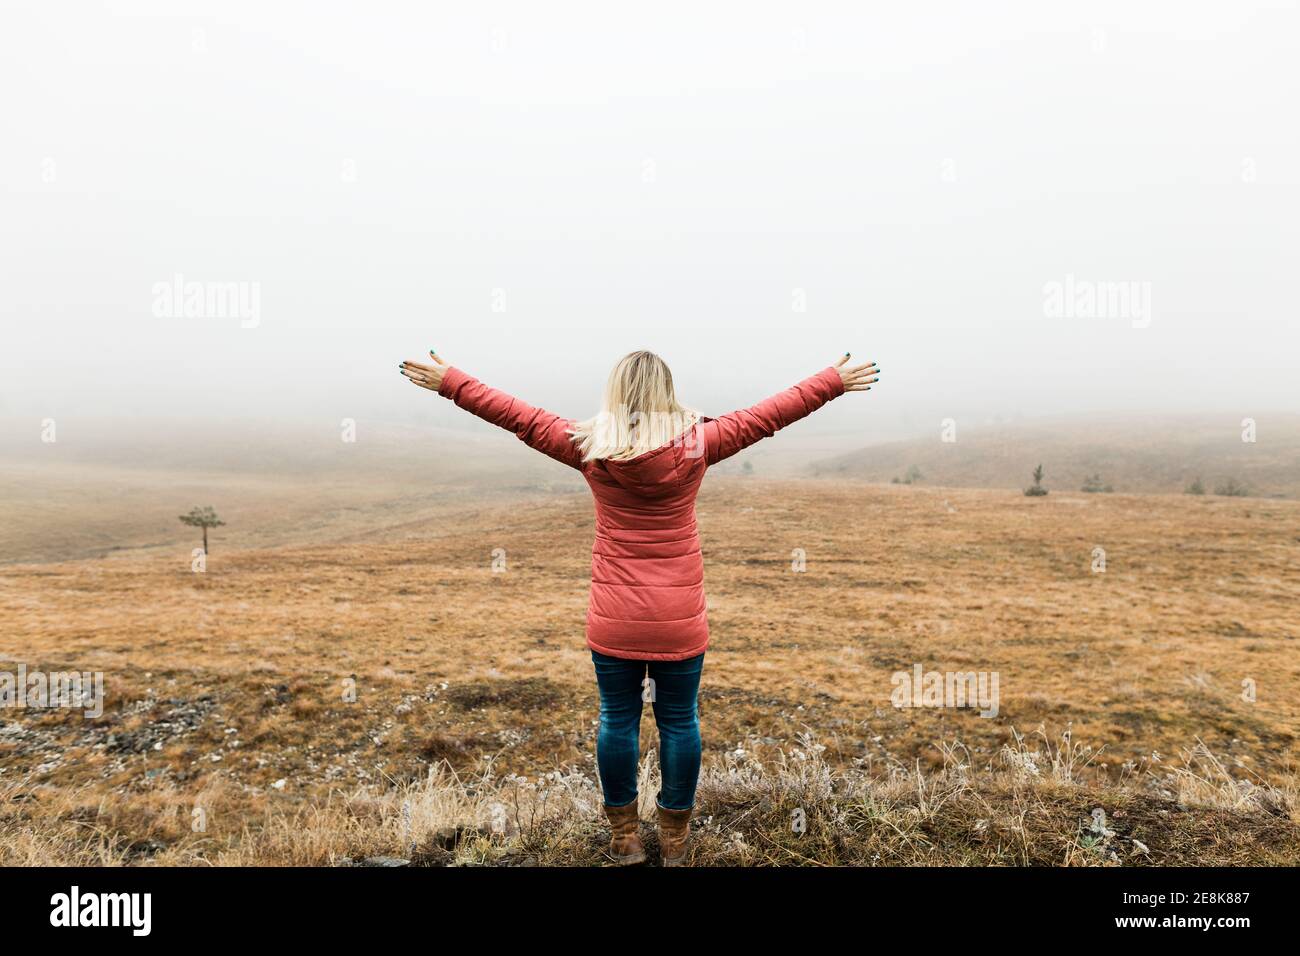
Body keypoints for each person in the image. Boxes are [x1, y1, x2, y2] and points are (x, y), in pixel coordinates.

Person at [399, 349, 879, 865]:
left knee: (617, 720)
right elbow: (768, 415)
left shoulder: (587, 445)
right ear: (666, 393)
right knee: (679, 722)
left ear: (615, 393)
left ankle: (624, 837)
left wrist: (451, 381)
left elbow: (518, 416)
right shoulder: (699, 444)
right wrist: (832, 381)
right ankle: (674, 840)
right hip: (679, 620)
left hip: (616, 618)